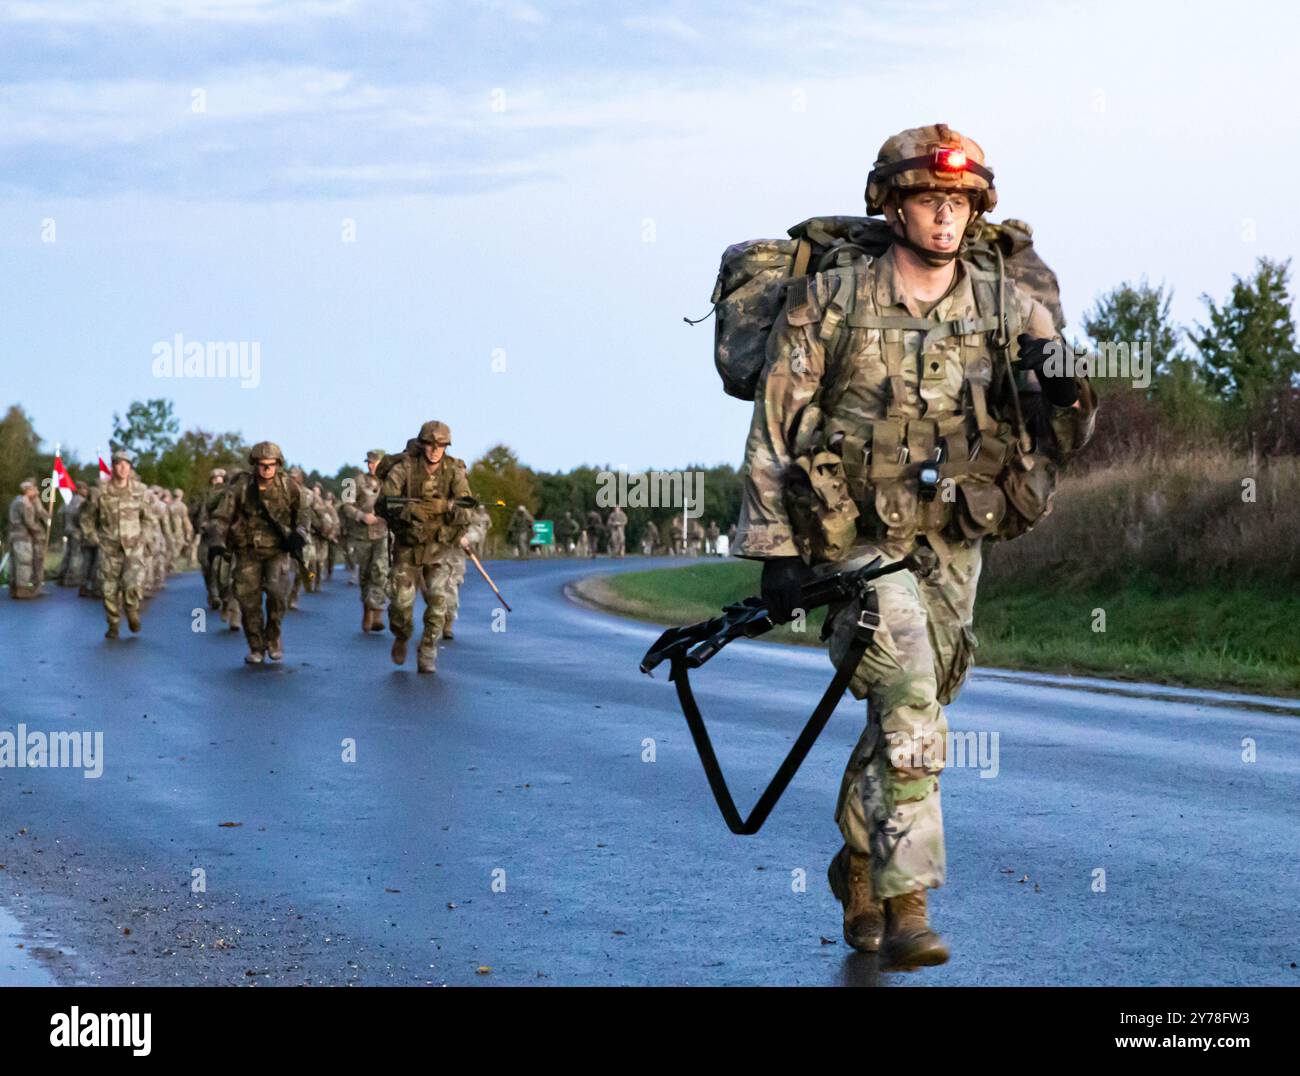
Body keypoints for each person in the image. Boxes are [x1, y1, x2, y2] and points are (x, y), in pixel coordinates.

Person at [734, 124, 1096, 969]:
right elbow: (776, 427)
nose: (947, 216)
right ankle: (907, 902)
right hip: (851, 540)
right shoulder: (835, 301)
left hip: (955, 537)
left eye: (962, 202)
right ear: (891, 205)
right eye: (931, 199)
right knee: (906, 695)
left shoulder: (1009, 302)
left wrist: (1070, 385)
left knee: (925, 701)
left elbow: (1064, 432)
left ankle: (858, 861)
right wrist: (774, 550)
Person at [376, 421, 475, 674]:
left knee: (439, 603)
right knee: (400, 604)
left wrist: (447, 510)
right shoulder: (405, 468)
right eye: (431, 444)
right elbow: (384, 504)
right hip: (408, 546)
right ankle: (402, 635)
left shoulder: (454, 471)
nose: (435, 450)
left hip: (439, 547)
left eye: (441, 445)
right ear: (422, 444)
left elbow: (466, 508)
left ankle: (429, 650)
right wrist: (409, 510)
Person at [207, 442, 312, 665]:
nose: (267, 469)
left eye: (271, 465)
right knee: (248, 601)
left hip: (277, 550)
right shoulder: (242, 487)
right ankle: (256, 646)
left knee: (277, 595)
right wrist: (217, 540)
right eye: (262, 465)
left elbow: (303, 514)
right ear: (255, 465)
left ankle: (273, 638)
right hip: (247, 551)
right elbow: (221, 517)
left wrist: (300, 534)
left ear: (278, 465)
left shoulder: (289, 487)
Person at [80, 451, 149, 637]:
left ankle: (131, 608)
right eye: (119, 464)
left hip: (133, 546)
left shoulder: (140, 490)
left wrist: (144, 537)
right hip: (108, 547)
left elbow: (148, 518)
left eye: (127, 464)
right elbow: (86, 518)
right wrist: (92, 537)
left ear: (131, 467)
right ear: (113, 467)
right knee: (108, 588)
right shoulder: (100, 492)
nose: (123, 467)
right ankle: (113, 623)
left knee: (132, 582)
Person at [339, 450, 390, 632]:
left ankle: (377, 612)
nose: (372, 466)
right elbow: (345, 506)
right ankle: (367, 610)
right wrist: (361, 515)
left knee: (380, 570)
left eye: (376, 463)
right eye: (369, 462)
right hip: (361, 535)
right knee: (365, 574)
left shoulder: (391, 482)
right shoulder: (353, 482)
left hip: (383, 533)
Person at [441, 498, 491, 640]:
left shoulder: (466, 508)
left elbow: (478, 530)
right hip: (433, 553)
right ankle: (434, 623)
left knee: (451, 589)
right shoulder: (434, 501)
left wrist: (467, 538)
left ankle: (448, 623)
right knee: (433, 591)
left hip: (454, 556)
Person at [6, 479, 49, 599]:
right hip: (22, 536)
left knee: (15, 563)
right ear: (28, 490)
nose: (36, 492)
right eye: (34, 489)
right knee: (24, 563)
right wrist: (40, 532)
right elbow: (29, 522)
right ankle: (22, 590)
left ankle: (14, 589)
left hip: (14, 535)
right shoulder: (25, 503)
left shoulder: (17, 500)